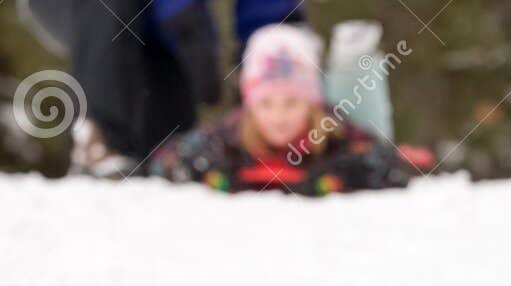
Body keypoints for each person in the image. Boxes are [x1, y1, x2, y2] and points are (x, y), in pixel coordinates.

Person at [19, 0, 304, 175]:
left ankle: (158, 158)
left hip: (155, 18)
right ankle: (102, 142)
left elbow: (267, 9)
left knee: (167, 154)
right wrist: (185, 18)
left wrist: (275, 56)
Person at [145, 24, 413, 194]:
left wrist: (339, 173)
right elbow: (163, 161)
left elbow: (389, 164)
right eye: (266, 103)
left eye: (291, 103)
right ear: (250, 106)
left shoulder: (336, 131)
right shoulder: (229, 135)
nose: (278, 116)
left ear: (312, 104)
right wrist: (212, 167)